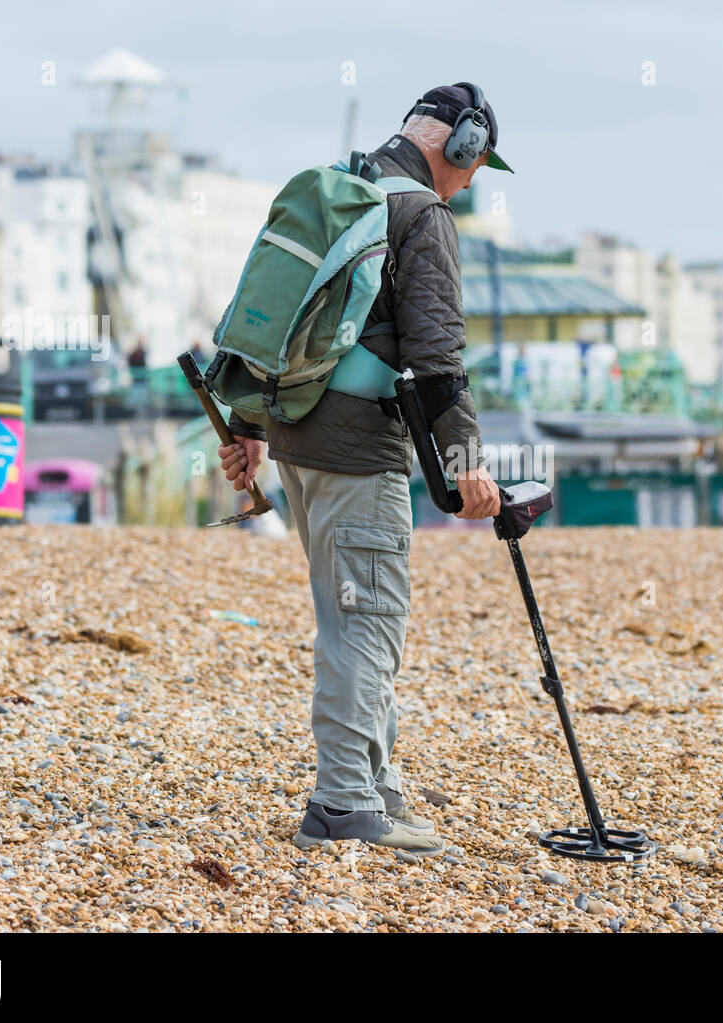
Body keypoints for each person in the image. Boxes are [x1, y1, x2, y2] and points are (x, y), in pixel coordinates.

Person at [219, 83, 512, 857]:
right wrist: (466, 466)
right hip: (357, 454)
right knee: (365, 623)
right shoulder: (423, 215)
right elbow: (438, 356)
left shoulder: (342, 190)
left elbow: (268, 309)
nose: (474, 177)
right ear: (457, 145)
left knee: (350, 616)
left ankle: (377, 787)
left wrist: (246, 424)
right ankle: (344, 804)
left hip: (296, 444)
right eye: (476, 161)